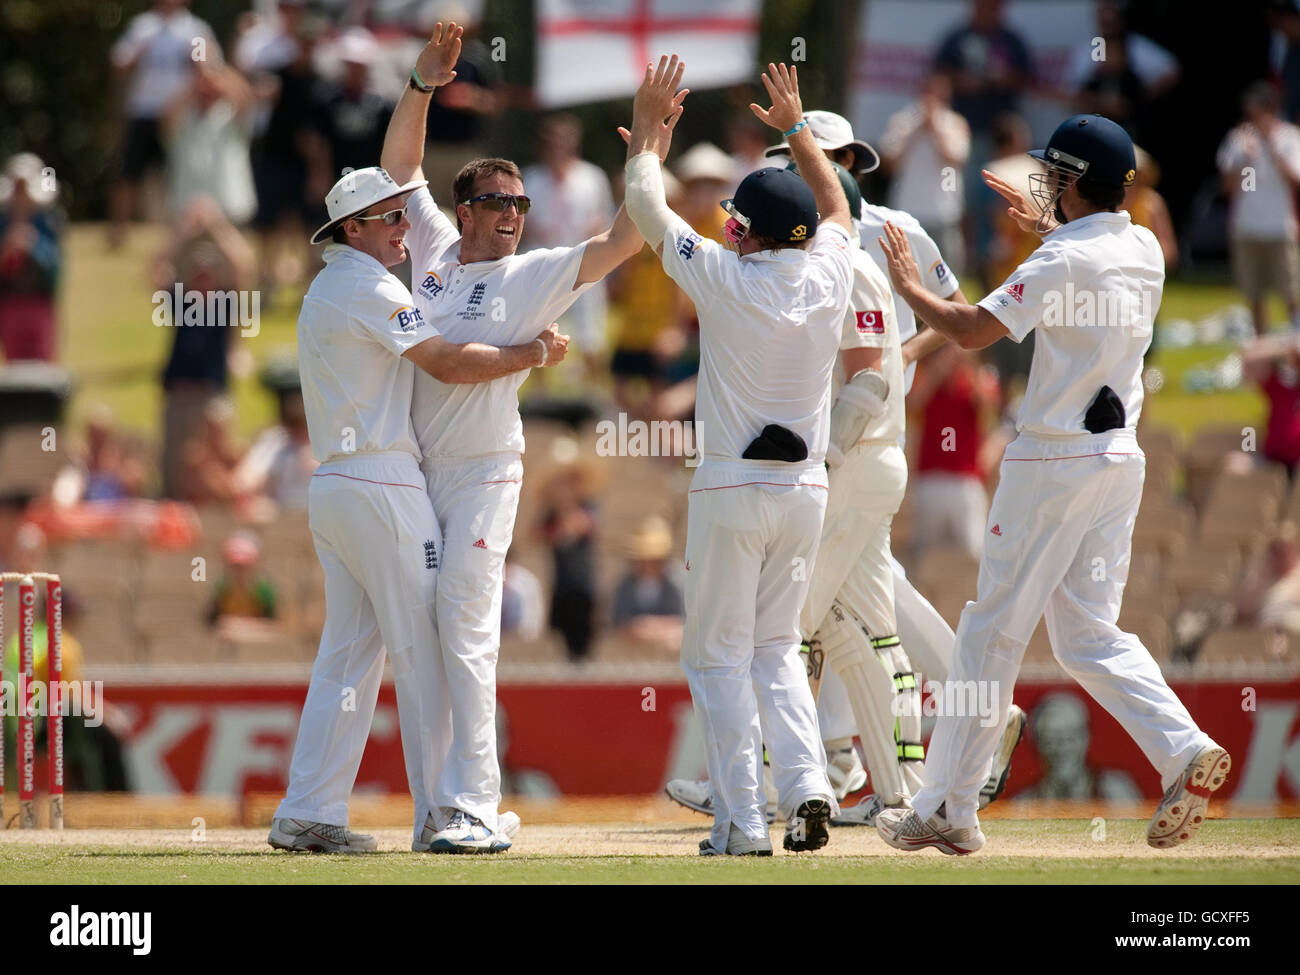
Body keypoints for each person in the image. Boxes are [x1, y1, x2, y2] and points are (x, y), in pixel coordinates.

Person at [875, 114, 1230, 854]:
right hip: (1117, 461)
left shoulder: (1060, 260)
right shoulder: (1142, 249)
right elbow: (1082, 268)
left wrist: (910, 286)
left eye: (1054, 176)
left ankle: (947, 805)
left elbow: (972, 329)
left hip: (1050, 462)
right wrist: (1055, 227)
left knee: (989, 630)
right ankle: (1183, 747)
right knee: (1086, 633)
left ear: (1070, 182)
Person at [380, 22, 641, 852]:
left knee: (466, 616)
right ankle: (443, 805)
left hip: (487, 470)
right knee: (428, 629)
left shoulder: (532, 274)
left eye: (522, 205)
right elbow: (398, 172)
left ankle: (478, 804)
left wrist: (650, 156)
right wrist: (421, 85)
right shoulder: (433, 254)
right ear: (465, 211)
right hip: (419, 469)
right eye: (499, 204)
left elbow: (624, 241)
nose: (515, 217)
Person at [269, 163, 569, 855]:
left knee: (348, 653)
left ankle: (309, 808)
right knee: (425, 645)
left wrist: (422, 84)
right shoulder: (373, 288)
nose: (407, 229)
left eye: (405, 214)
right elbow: (445, 363)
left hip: (337, 487)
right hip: (383, 484)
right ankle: (448, 812)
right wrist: (533, 352)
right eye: (391, 218)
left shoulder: (327, 286)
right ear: (353, 228)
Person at [624, 59, 852, 856]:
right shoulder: (831, 270)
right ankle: (809, 785)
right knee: (776, 647)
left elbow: (646, 207)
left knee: (718, 657)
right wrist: (796, 127)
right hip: (805, 490)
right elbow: (833, 206)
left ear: (743, 230)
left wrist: (649, 132)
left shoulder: (724, 277)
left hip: (730, 486)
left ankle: (742, 823)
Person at [107, 0, 220, 247]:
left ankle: (180, 232)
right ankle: (118, 234)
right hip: (143, 111)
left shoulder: (195, 29)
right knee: (129, 173)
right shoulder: (142, 27)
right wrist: (136, 55)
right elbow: (119, 63)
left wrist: (198, 61)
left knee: (179, 176)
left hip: (179, 116)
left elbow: (208, 68)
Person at [521, 114, 616, 381]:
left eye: (565, 142)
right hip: (541, 264)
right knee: (535, 328)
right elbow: (519, 223)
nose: (559, 148)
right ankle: (540, 400)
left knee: (591, 334)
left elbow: (604, 219)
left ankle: (594, 393)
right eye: (554, 142)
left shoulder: (592, 177)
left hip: (583, 263)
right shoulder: (531, 178)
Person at [1217, 82, 1300, 336]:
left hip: (1279, 226)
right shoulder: (1238, 138)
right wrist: (1246, 159)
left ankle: (1296, 340)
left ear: (1270, 109)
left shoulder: (1289, 137)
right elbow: (1228, 188)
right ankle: (1260, 342)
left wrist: (1271, 147)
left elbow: (1295, 180)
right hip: (1246, 227)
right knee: (1254, 292)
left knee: (1291, 290)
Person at [879, 73, 971, 275]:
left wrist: (934, 128)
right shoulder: (902, 122)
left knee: (948, 275)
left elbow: (955, 158)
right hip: (908, 211)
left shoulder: (955, 123)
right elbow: (889, 163)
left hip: (944, 213)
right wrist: (916, 131)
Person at [0, 153, 62, 362]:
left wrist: (32, 245)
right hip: (9, 303)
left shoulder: (48, 222)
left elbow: (55, 265)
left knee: (42, 364)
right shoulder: (3, 223)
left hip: (39, 302)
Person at [611, 514, 685, 650]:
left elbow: (682, 621)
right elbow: (619, 621)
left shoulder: (676, 580)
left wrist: (647, 625)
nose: (647, 564)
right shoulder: (626, 582)